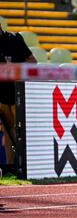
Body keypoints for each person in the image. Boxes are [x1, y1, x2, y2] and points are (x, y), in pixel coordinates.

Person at [0, 24, 37, 171]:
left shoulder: (15, 39)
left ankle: (24, 165)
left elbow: (33, 62)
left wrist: (11, 67)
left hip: (18, 93)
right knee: (7, 132)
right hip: (1, 96)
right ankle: (10, 167)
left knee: (21, 131)